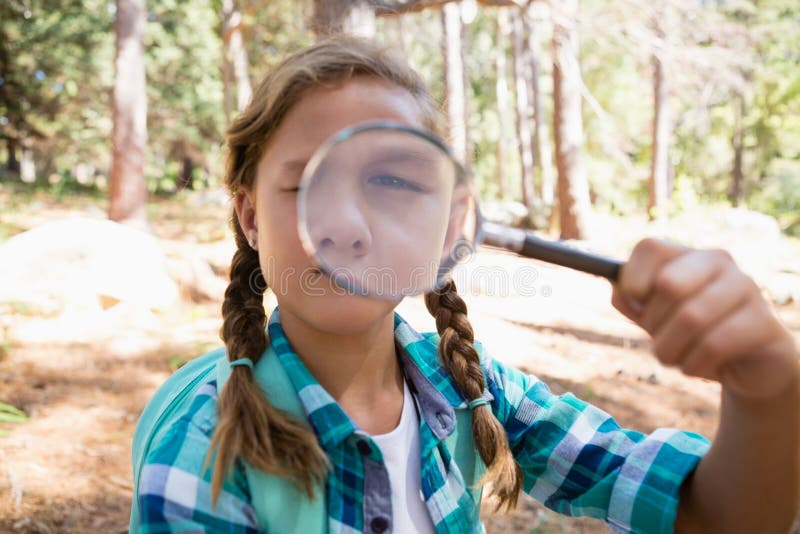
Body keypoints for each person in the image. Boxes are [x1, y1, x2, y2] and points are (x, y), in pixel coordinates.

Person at [131, 36, 799, 533]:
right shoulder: (205, 450)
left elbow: (715, 516)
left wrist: (770, 391)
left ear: (448, 228)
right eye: (308, 184)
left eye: (392, 181)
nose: (349, 227)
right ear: (251, 217)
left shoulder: (471, 389)